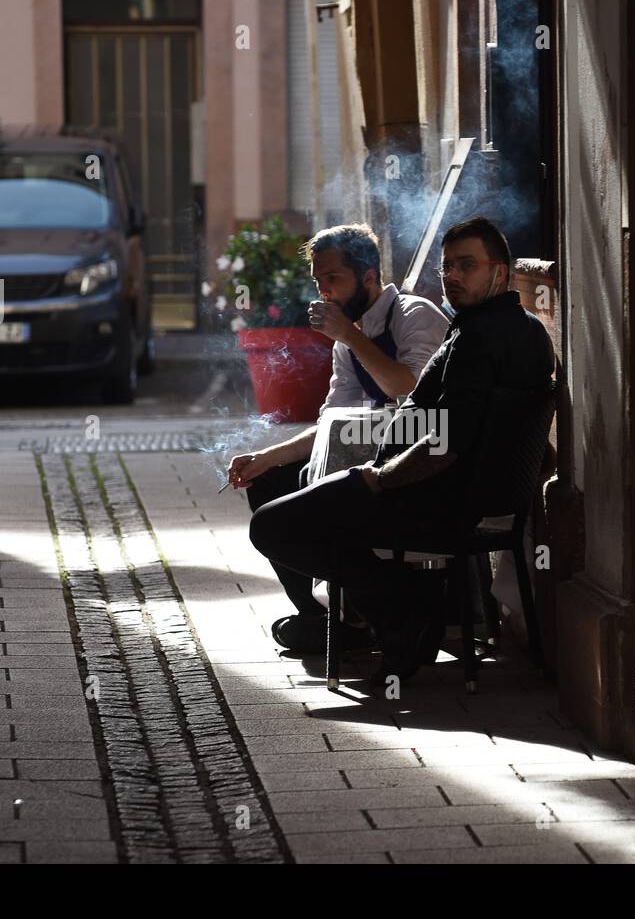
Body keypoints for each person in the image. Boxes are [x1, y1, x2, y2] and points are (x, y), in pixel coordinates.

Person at [248, 217, 555, 685]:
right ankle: (397, 612)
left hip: (432, 499)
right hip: (457, 495)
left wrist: (379, 478)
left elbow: (446, 439)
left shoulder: (473, 336)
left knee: (271, 525)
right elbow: (417, 418)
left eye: (467, 266)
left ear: (501, 272)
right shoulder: (522, 330)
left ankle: (399, 611)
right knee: (292, 493)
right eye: (448, 266)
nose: (452, 276)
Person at [226, 223, 448, 653]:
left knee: (306, 507)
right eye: (318, 281)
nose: (324, 291)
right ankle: (326, 618)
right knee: (268, 483)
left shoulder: (412, 316)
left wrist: (349, 335)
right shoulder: (349, 339)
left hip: (413, 471)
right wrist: (268, 456)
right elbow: (333, 421)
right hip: (363, 458)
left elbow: (409, 388)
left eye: (333, 279)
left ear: (368, 277)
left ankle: (370, 611)